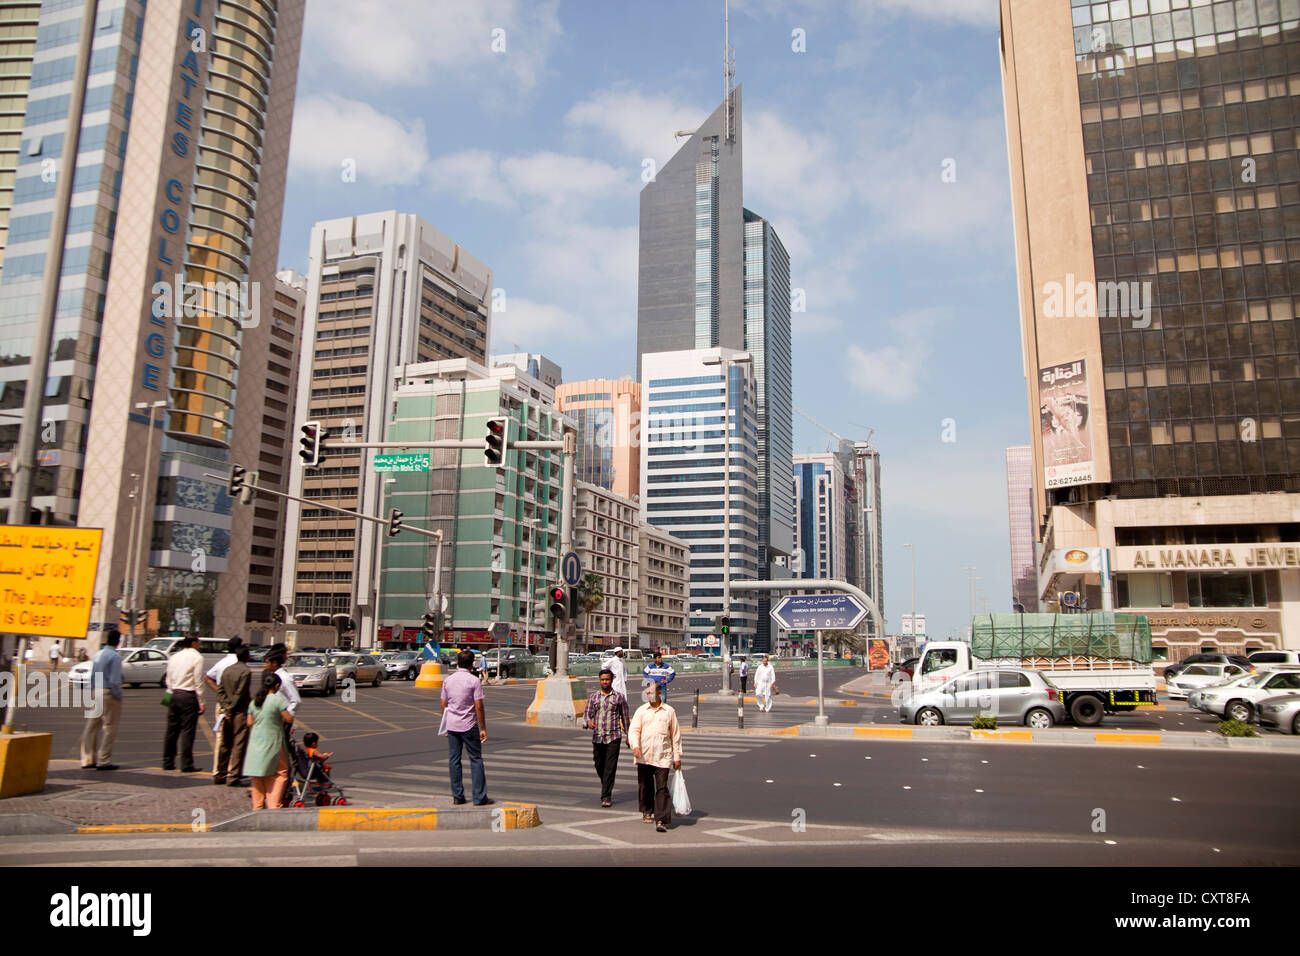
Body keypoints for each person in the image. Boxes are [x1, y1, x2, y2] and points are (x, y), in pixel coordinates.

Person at [440, 649, 492, 806]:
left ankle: (457, 796)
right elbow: (479, 706)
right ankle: (479, 797)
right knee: (475, 759)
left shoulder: (448, 680)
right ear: (472, 665)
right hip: (469, 725)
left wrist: (447, 722)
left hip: (452, 725)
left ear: (457, 663)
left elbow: (444, 704)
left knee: (454, 760)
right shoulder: (473, 681)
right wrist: (483, 728)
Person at [628, 679, 681, 832]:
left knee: (662, 788)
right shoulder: (641, 711)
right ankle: (647, 810)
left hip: (663, 756)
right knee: (645, 786)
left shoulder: (669, 711)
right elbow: (634, 730)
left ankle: (661, 820)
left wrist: (677, 757)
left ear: (659, 693)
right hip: (644, 755)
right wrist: (635, 746)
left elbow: (675, 735)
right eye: (647, 693)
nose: (648, 695)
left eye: (651, 692)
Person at [243, 672, 293, 810]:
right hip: (273, 741)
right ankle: (274, 804)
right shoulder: (277, 700)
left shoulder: (254, 701)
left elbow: (249, 722)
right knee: (281, 773)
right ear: (277, 686)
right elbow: (288, 718)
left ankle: (257, 806)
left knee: (258, 775)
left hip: (255, 742)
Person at [584, 668, 629, 807]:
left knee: (610, 767)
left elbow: (625, 717)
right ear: (599, 681)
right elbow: (587, 715)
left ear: (612, 680)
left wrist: (629, 735)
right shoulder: (594, 697)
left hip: (614, 736)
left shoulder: (619, 697)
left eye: (607, 680)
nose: (605, 682)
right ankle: (606, 783)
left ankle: (606, 796)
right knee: (599, 764)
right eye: (602, 680)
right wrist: (588, 722)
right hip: (598, 737)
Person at [80, 629, 123, 770]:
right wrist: (118, 697)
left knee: (91, 726)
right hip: (107, 693)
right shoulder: (115, 657)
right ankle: (103, 760)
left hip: (95, 691)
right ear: (118, 641)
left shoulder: (98, 654)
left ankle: (87, 759)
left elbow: (93, 676)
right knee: (109, 727)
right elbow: (115, 681)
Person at [162, 634, 205, 772]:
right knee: (187, 731)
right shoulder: (197, 657)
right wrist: (201, 702)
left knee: (171, 730)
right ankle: (186, 764)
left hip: (174, 694)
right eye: (198, 642)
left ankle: (168, 762)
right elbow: (198, 681)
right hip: (188, 695)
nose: (199, 645)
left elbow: (168, 679)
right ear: (193, 643)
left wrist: (168, 697)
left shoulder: (174, 657)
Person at [214, 645, 252, 787]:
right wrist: (230, 709)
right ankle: (233, 776)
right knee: (238, 744)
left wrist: (225, 707)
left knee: (225, 743)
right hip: (239, 711)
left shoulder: (227, 670)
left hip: (226, 712)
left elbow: (220, 691)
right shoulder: (246, 672)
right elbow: (240, 693)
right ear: (247, 657)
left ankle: (220, 773)